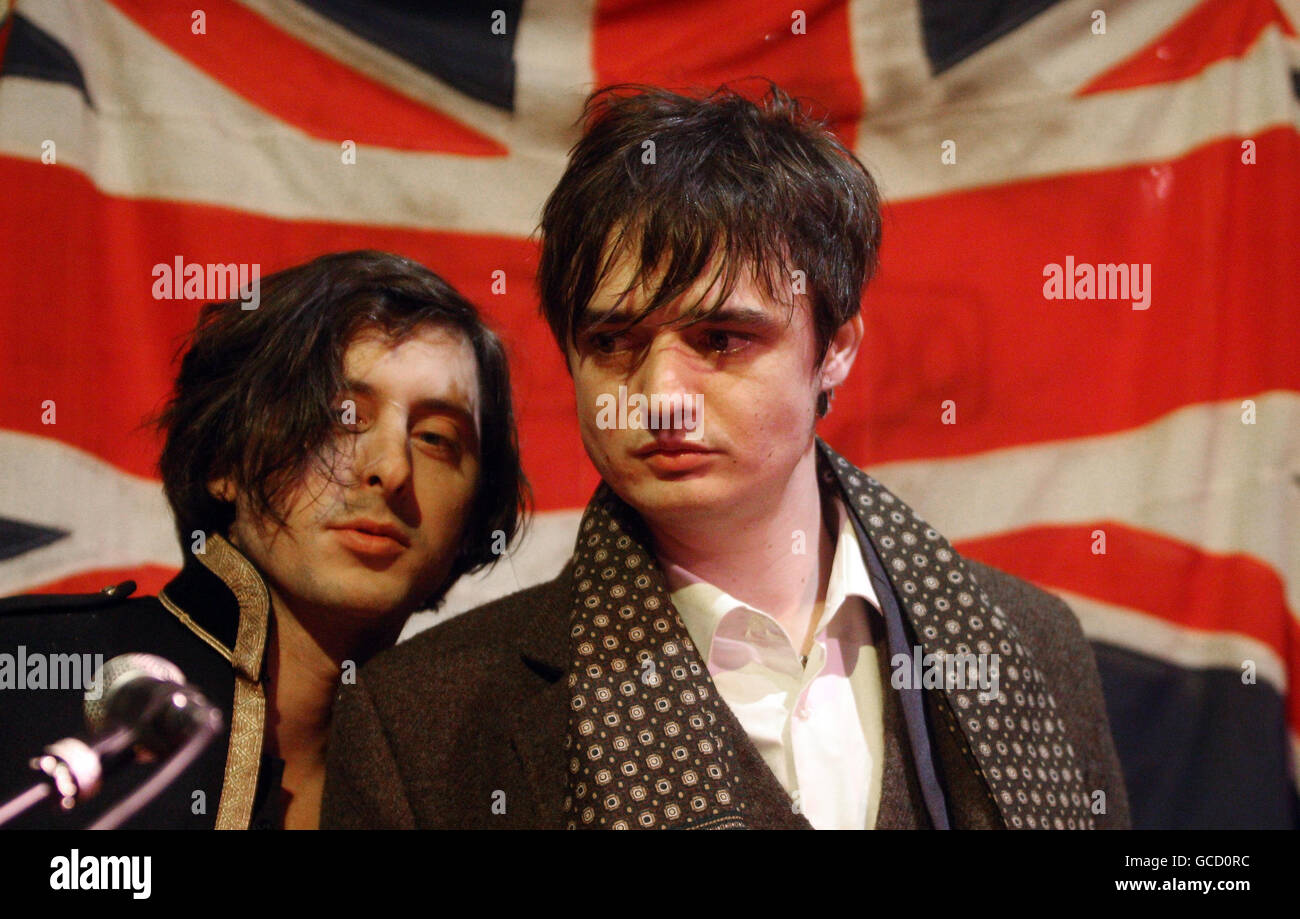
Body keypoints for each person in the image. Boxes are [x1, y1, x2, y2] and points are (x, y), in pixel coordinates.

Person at [321, 86, 1130, 830]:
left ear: (836, 347)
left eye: (721, 338)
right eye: (614, 341)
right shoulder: (422, 721)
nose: (661, 392)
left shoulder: (1030, 646)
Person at [0, 250, 526, 829]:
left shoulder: (493, 779)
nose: (392, 469)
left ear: (474, 517)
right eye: (343, 416)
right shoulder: (25, 672)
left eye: (435, 437)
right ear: (224, 456)